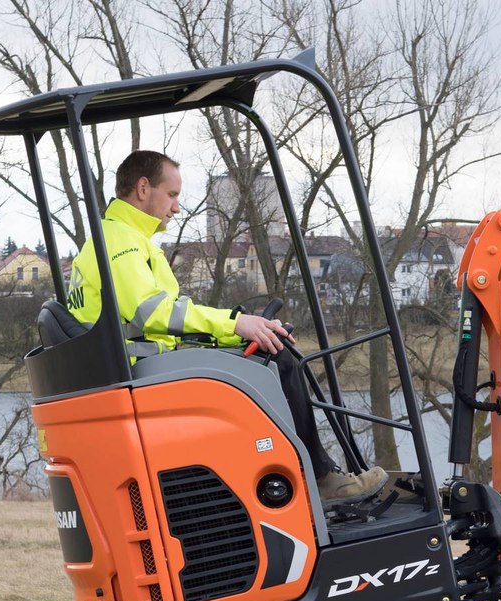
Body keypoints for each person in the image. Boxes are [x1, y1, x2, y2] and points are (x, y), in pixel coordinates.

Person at [67, 149, 386, 506]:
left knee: (270, 350)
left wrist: (239, 328)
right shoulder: (121, 242)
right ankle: (321, 480)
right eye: (172, 195)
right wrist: (237, 325)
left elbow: (168, 314)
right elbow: (153, 313)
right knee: (277, 360)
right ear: (143, 188)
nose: (176, 207)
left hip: (138, 369)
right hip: (141, 374)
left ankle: (304, 480)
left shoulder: (118, 237)